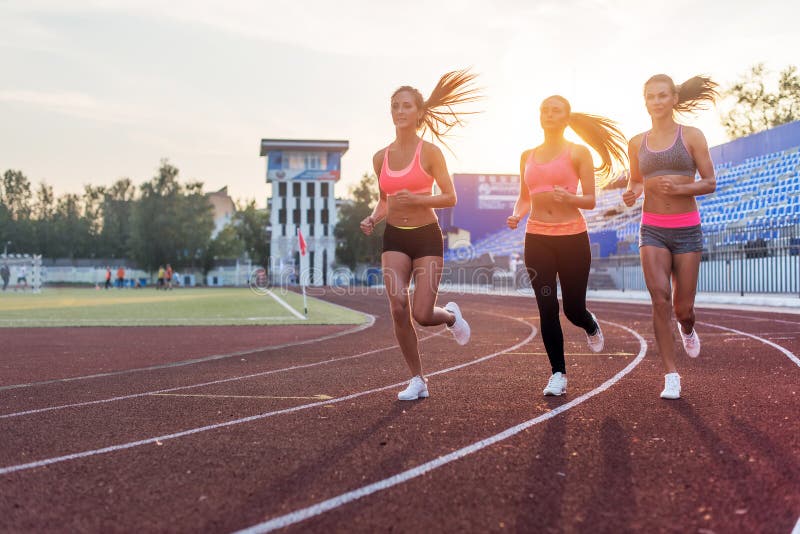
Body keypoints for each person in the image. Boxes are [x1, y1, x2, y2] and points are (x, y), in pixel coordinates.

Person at [360, 69, 481, 401]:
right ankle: (418, 379)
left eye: (407, 106)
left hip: (426, 236)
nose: (400, 111)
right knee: (398, 306)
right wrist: (372, 218)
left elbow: (450, 197)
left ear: (419, 113)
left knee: (422, 314)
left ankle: (450, 315)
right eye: (396, 106)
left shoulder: (429, 153)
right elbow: (385, 200)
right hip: (395, 238)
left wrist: (417, 199)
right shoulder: (379, 158)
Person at [507, 95, 627, 397]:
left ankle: (590, 323)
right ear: (539, 116)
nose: (549, 114)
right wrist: (516, 214)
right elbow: (525, 195)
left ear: (566, 117)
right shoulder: (527, 155)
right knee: (547, 307)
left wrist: (569, 199)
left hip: (572, 238)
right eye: (544, 110)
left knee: (573, 308)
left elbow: (590, 199)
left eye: (555, 110)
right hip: (537, 239)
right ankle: (558, 373)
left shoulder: (578, 152)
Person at [623, 74, 718, 400]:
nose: (657, 101)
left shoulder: (691, 135)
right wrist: (631, 192)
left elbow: (709, 182)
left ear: (674, 98)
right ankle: (670, 374)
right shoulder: (637, 142)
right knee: (660, 298)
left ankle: (688, 328)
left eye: (663, 95)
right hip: (652, 229)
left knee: (682, 308)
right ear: (645, 101)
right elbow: (635, 181)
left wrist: (680, 187)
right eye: (651, 96)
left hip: (687, 229)